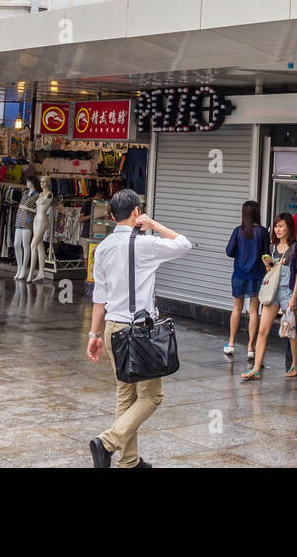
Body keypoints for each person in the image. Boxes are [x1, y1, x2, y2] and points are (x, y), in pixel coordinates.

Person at [85, 189, 191, 468]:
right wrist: (154, 224)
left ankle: (129, 461)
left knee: (125, 393)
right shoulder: (147, 243)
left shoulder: (103, 247)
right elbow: (184, 244)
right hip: (140, 331)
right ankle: (107, 442)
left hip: (112, 328)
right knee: (152, 396)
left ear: (111, 216)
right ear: (137, 212)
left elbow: (99, 298)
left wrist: (93, 335)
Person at [242, 213, 297, 381]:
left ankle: (295, 364)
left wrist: (294, 296)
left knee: (289, 331)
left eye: (281, 226)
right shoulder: (272, 246)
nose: (278, 229)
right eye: (276, 226)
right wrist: (268, 266)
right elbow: (270, 271)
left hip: (288, 292)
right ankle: (256, 367)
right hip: (272, 292)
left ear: (289, 228)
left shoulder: (295, 247)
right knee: (263, 330)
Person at [225, 200, 269, 361]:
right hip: (257, 275)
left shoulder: (238, 231)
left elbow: (229, 251)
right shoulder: (263, 232)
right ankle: (251, 347)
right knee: (253, 310)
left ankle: (231, 343)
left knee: (236, 308)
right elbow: (266, 254)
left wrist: (240, 253)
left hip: (239, 274)